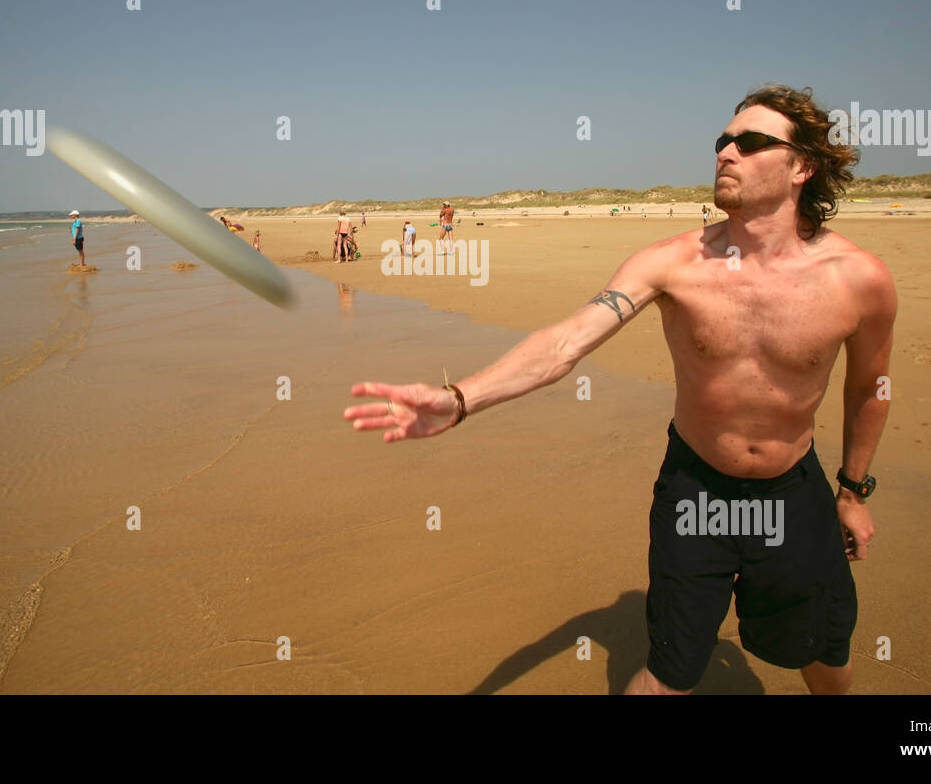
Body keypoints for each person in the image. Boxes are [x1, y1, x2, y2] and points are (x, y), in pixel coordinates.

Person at [344, 84, 896, 695]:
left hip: (794, 494)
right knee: (669, 673)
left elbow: (871, 388)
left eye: (750, 141)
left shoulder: (858, 280)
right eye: (723, 140)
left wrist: (852, 490)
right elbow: (566, 343)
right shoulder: (671, 263)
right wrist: (460, 398)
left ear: (802, 166)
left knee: (820, 654)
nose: (726, 153)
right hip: (696, 492)